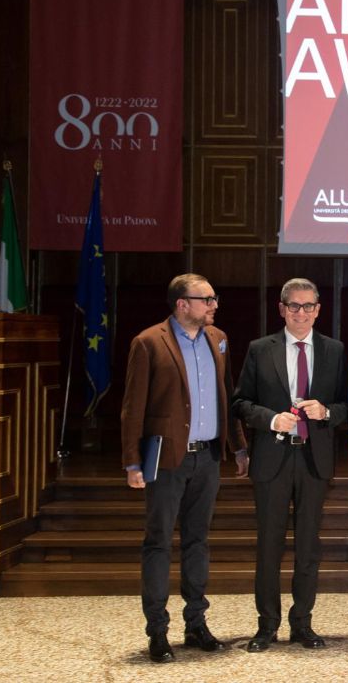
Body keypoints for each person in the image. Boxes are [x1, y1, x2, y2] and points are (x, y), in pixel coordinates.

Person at [120, 273, 249, 663]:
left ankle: (196, 624)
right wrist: (132, 461)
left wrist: (238, 446)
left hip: (207, 457)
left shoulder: (218, 338)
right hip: (166, 459)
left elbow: (227, 395)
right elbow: (133, 407)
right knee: (159, 542)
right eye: (206, 299)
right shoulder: (148, 342)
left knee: (198, 541)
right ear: (182, 304)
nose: (214, 305)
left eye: (214, 299)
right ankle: (157, 631)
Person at [231, 278, 348, 652]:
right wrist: (270, 419)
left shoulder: (334, 350)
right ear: (282, 309)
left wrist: (326, 412)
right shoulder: (259, 349)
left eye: (308, 305)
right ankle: (267, 626)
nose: (301, 312)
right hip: (273, 459)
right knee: (269, 545)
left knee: (308, 547)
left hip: (314, 460)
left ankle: (302, 624)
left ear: (318, 309)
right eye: (294, 306)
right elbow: (240, 403)